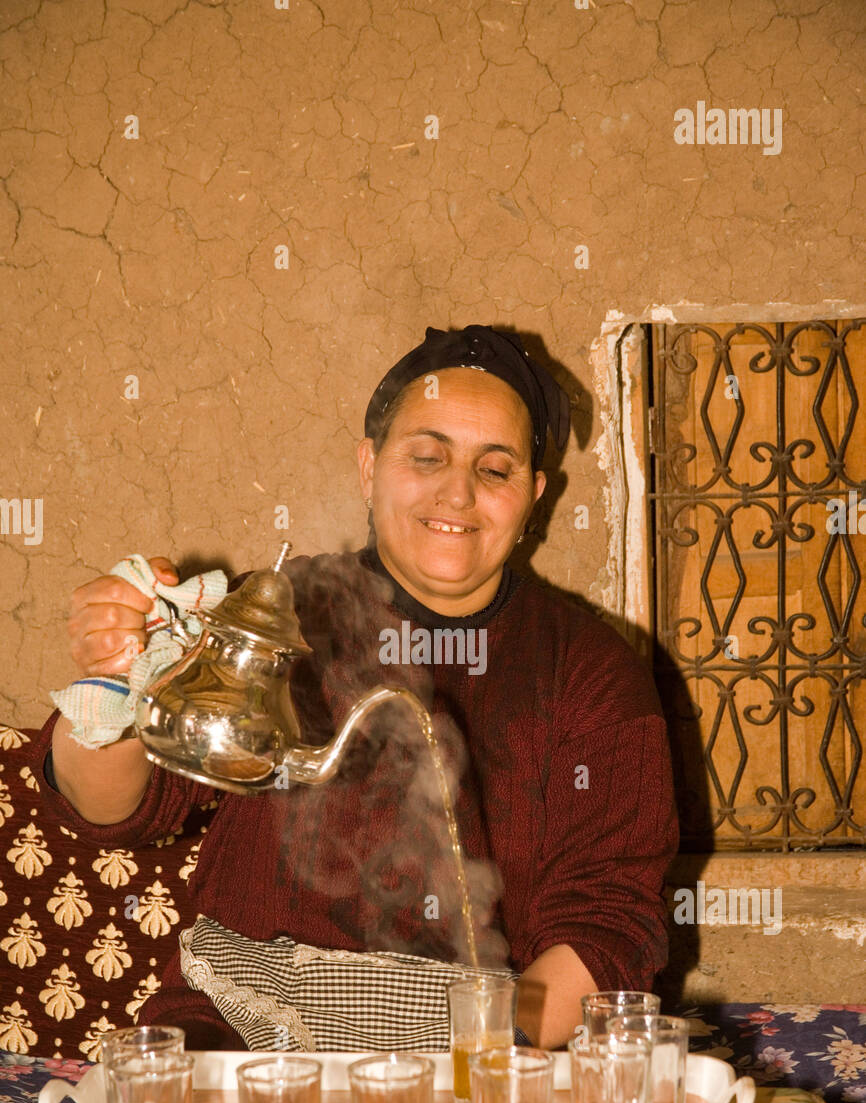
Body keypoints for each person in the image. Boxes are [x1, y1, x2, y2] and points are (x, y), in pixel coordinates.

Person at [34, 325, 679, 1051]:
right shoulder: (280, 612)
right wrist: (112, 682)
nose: (457, 491)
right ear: (368, 467)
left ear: (533, 495)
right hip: (241, 1030)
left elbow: (609, 925)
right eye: (427, 456)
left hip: (482, 1043)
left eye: (495, 470)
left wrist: (467, 1065)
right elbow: (112, 810)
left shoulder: (589, 670)